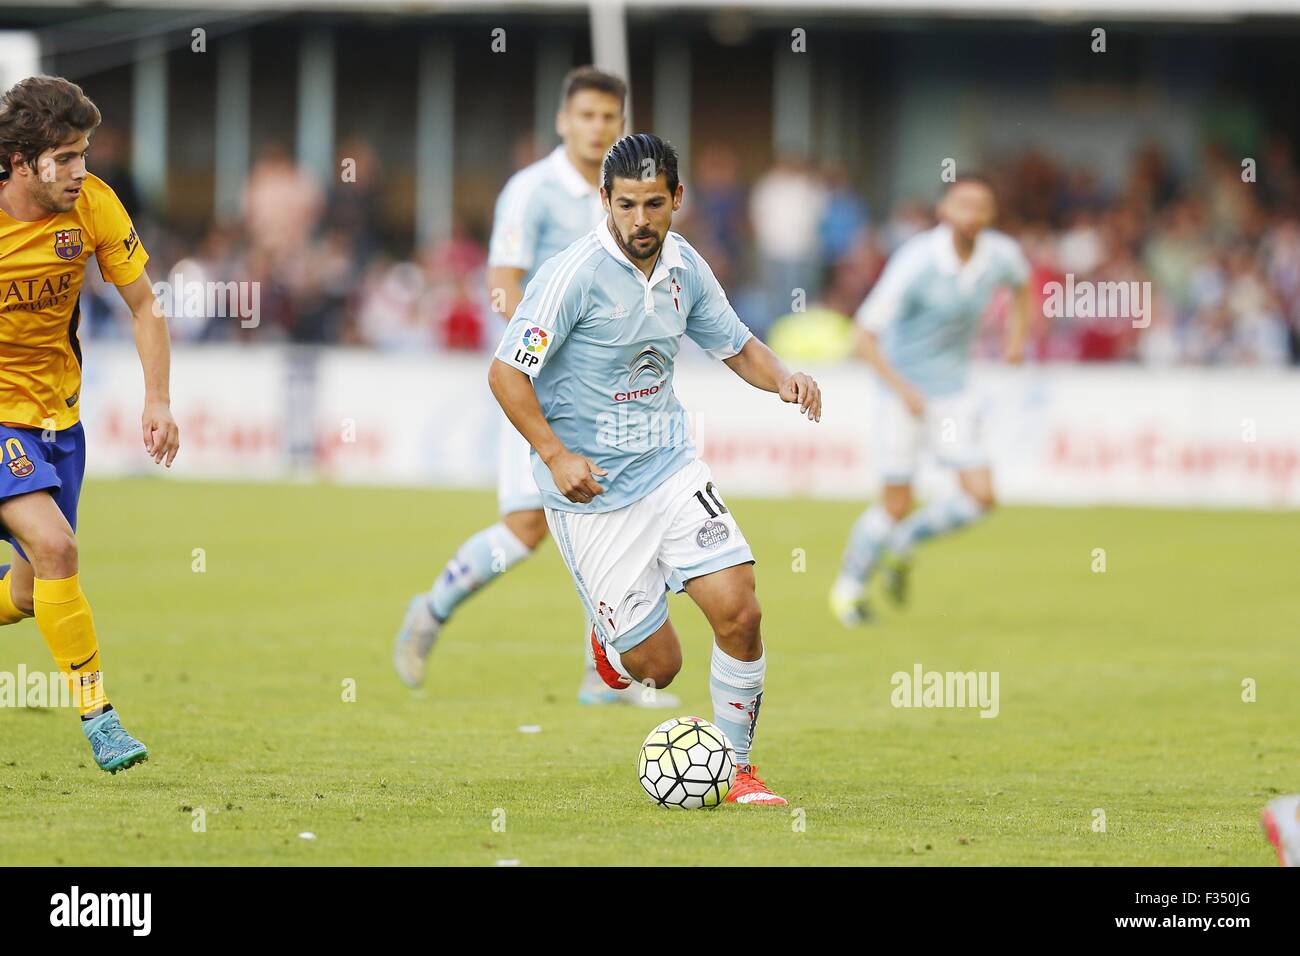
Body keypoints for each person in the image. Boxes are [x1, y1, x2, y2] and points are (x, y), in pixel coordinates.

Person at [488, 133, 823, 804]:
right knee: (658, 668)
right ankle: (613, 643)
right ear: (606, 202)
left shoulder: (685, 266)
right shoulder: (571, 274)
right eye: (625, 205)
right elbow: (505, 374)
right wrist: (555, 457)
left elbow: (736, 344)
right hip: (593, 495)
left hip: (669, 465)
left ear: (677, 199)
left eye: (653, 204)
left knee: (741, 612)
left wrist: (783, 377)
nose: (640, 220)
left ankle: (738, 771)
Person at [0, 76, 179, 771]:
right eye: (65, 158)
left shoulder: (96, 205)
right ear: (20, 161)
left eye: (84, 154)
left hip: (56, 422)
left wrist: (157, 400)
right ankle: (100, 718)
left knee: (26, 590)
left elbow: (144, 306)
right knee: (59, 549)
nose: (81, 170)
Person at [831, 177, 1029, 625]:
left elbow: (1022, 285)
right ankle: (848, 590)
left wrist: (1017, 340)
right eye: (963, 204)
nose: (971, 214)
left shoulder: (1000, 255)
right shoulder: (916, 262)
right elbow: (863, 336)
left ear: (990, 214)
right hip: (900, 395)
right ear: (945, 209)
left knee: (981, 496)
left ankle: (903, 541)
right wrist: (904, 391)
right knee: (895, 501)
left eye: (981, 206)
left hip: (952, 395)